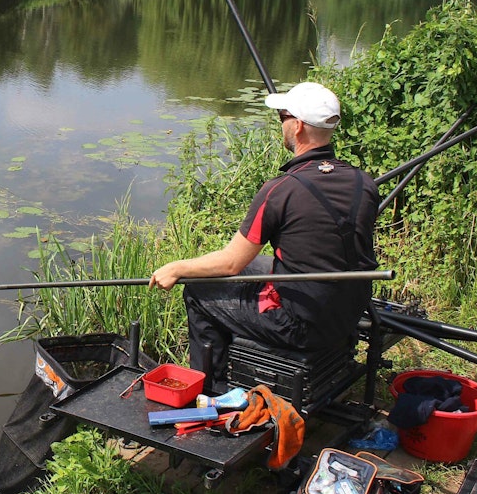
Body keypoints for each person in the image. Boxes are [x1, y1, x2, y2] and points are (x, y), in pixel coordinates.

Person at [149, 82, 378, 393]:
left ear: (297, 126)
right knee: (258, 264)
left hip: (302, 325)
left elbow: (231, 262)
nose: (281, 124)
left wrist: (177, 268)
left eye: (283, 117)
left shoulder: (281, 190)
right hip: (350, 312)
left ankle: (210, 393)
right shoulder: (363, 182)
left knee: (199, 290)